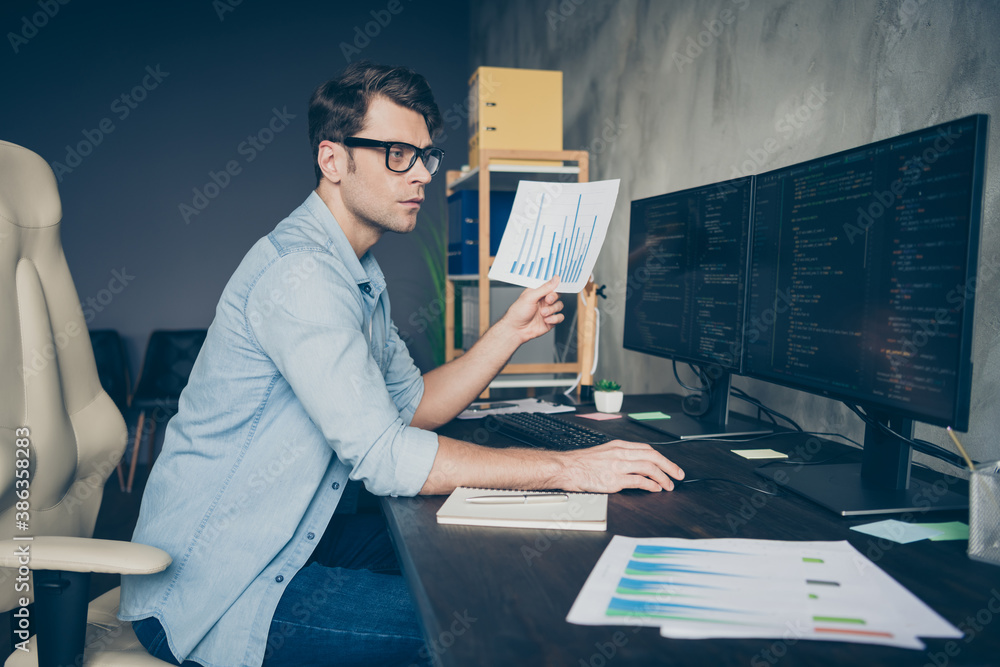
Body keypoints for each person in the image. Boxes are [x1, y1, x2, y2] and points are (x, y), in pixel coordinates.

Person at [119, 61, 685, 667]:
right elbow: (385, 457)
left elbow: (412, 407)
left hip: (291, 536)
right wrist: (568, 469)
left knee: (492, 558)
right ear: (332, 159)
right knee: (491, 623)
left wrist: (508, 333)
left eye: (424, 155)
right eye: (396, 154)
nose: (420, 175)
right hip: (214, 586)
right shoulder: (302, 274)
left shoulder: (358, 274)